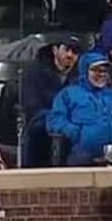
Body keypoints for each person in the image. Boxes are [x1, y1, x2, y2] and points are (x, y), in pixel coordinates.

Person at [47, 52, 112, 166]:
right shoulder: (69, 94)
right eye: (96, 70)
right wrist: (77, 133)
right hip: (83, 157)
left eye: (104, 71)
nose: (101, 74)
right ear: (84, 71)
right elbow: (55, 121)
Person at [19, 35, 79, 168]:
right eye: (67, 49)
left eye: (75, 52)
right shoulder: (34, 71)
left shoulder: (80, 75)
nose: (70, 55)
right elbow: (31, 106)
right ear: (55, 50)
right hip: (41, 121)